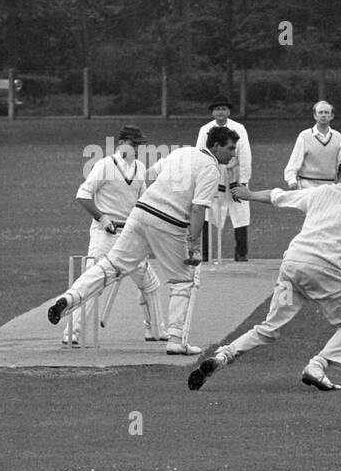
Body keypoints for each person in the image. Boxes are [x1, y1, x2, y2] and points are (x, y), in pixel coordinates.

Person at [190, 155, 341, 392]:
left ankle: (224, 355)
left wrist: (249, 194)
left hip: (292, 265)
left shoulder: (319, 193)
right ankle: (317, 366)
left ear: (337, 173)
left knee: (269, 327)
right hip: (322, 270)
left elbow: (278, 196)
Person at [48, 125, 239, 356]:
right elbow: (199, 209)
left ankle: (69, 298)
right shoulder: (211, 169)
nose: (233, 154)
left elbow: (151, 175)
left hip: (140, 214)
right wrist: (194, 246)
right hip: (166, 222)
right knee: (183, 280)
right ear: (216, 145)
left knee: (111, 267)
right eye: (230, 148)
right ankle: (176, 340)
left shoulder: (181, 152)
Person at [69, 124, 166, 344]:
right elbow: (82, 195)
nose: (135, 149)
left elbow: (144, 202)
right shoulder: (104, 165)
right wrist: (102, 218)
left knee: (150, 284)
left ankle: (154, 330)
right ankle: (71, 334)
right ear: (121, 143)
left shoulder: (140, 168)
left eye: (138, 145)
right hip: (105, 234)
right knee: (93, 285)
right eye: (132, 144)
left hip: (130, 236)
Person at [195, 95, 252, 261]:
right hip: (214, 174)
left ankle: (241, 253)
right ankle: (205, 253)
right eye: (217, 109)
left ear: (228, 111)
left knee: (240, 209)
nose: (221, 112)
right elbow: (201, 153)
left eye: (224, 109)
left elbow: (245, 154)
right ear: (213, 112)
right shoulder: (205, 129)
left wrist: (243, 180)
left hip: (233, 173)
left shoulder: (239, 128)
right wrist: (203, 177)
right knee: (207, 209)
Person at [284, 101, 341, 189]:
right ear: (315, 116)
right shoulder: (305, 136)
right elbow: (295, 160)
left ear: (331, 116)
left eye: (326, 112)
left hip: (329, 185)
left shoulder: (337, 136)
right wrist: (292, 181)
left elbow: (340, 162)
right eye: (320, 112)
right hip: (307, 185)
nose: (323, 115)